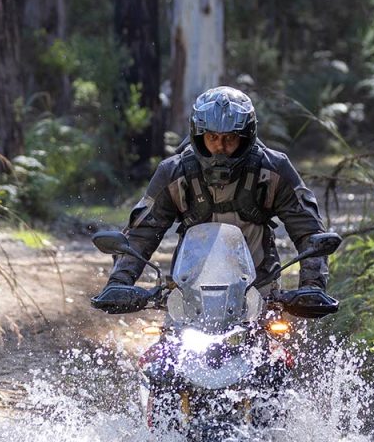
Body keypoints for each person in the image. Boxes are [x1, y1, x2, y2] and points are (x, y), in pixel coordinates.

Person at [93, 86, 330, 304]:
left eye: (230, 138)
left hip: (260, 293)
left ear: (246, 137)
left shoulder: (274, 169)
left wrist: (312, 287)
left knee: (283, 337)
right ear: (198, 136)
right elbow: (141, 234)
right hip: (188, 295)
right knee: (164, 340)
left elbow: (308, 231)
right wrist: (119, 283)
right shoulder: (173, 172)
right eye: (212, 137)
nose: (220, 147)